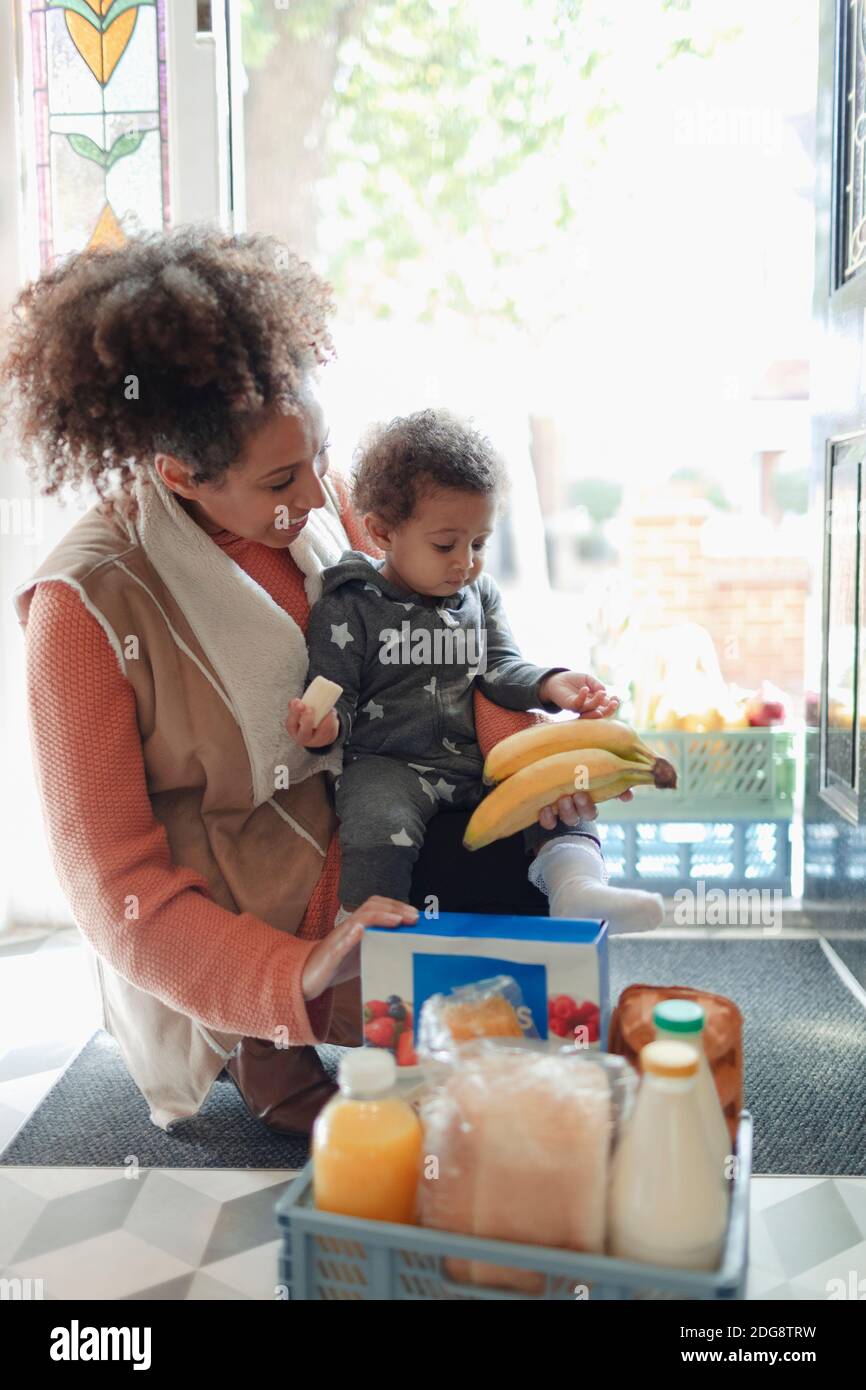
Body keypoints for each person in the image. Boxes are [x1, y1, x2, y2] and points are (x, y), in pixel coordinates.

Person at [4, 228, 633, 1138]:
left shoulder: (318, 496)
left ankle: (500, 1091)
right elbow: (115, 890)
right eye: (279, 480)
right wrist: (290, 974)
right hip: (264, 900)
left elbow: (441, 647)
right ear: (178, 473)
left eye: (319, 454)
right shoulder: (85, 609)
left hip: (382, 801)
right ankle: (270, 1037)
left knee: (544, 859)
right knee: (500, 930)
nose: (320, 493)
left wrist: (520, 750)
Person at [289, 409, 664, 935]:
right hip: (387, 764)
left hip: (477, 760)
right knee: (377, 822)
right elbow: (336, 697)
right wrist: (323, 728)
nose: (466, 562)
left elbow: (500, 667)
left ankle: (576, 886)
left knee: (555, 786)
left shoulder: (478, 595)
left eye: (480, 543)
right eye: (446, 545)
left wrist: (551, 683)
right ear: (382, 531)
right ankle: (361, 926)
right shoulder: (349, 603)